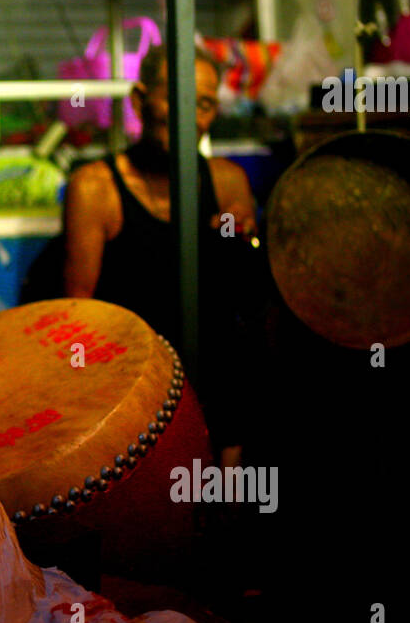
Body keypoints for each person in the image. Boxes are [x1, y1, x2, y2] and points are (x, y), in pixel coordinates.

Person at [61, 43, 268, 467]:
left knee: (221, 520)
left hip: (219, 400)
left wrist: (245, 234)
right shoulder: (95, 189)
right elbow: (78, 317)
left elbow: (247, 305)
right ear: (139, 100)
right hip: (132, 403)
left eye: (205, 103)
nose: (190, 115)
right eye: (176, 97)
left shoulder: (228, 183)